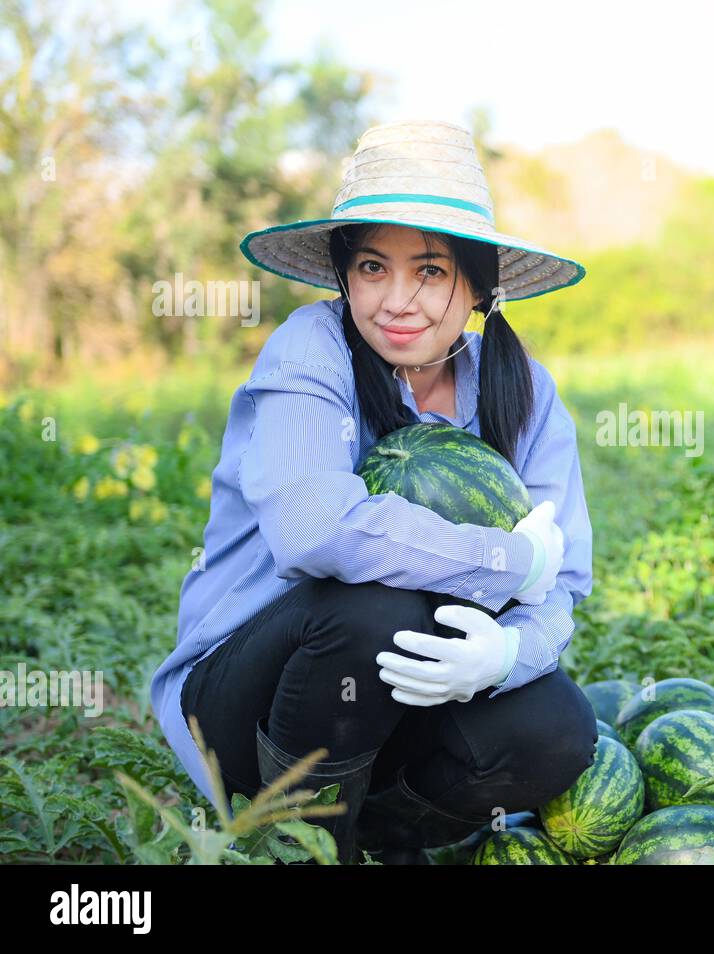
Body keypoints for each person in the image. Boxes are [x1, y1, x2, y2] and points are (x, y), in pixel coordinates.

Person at [147, 119, 596, 864]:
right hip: (253, 694)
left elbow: (563, 582)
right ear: (343, 275)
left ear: (479, 285)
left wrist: (508, 653)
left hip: (395, 698)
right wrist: (506, 562)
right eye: (371, 268)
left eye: (429, 271)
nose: (396, 300)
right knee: (371, 607)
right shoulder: (310, 351)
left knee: (557, 731)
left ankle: (375, 840)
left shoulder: (527, 394)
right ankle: (298, 843)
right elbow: (314, 528)